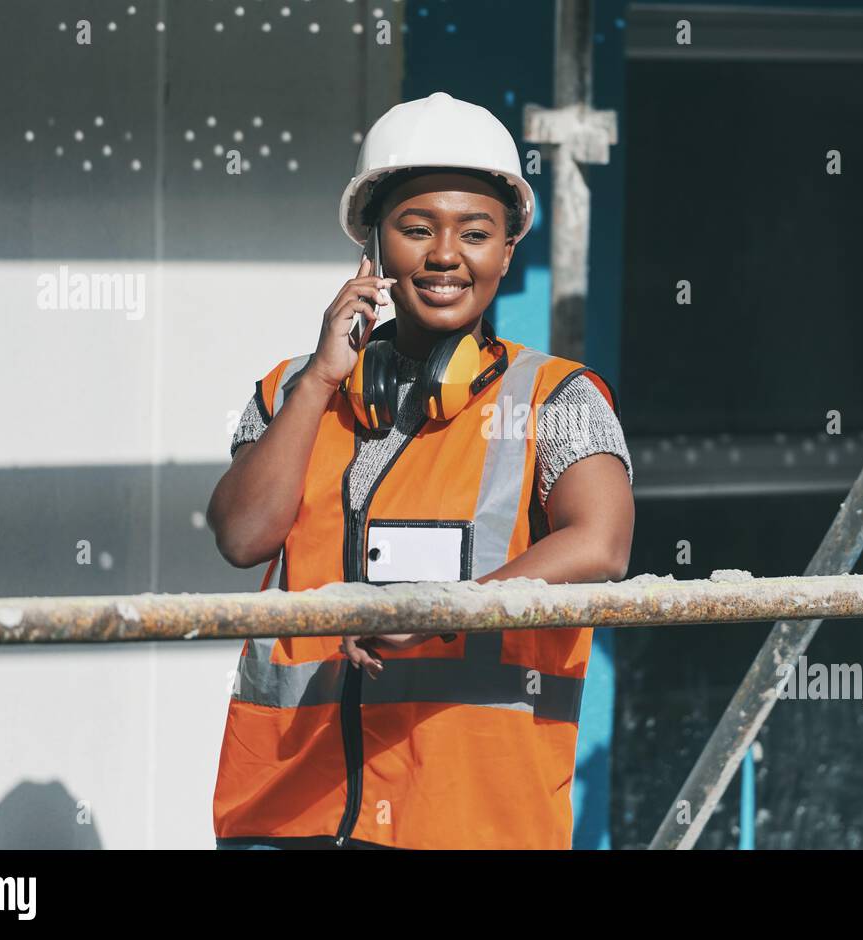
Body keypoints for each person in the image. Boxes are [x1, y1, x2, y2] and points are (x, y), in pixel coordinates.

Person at [207, 92, 634, 850]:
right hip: (288, 812)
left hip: (472, 819)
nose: (445, 256)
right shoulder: (289, 390)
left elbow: (601, 543)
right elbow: (242, 535)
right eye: (416, 229)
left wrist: (445, 610)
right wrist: (319, 382)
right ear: (372, 246)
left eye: (476, 233)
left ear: (507, 251)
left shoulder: (558, 396)